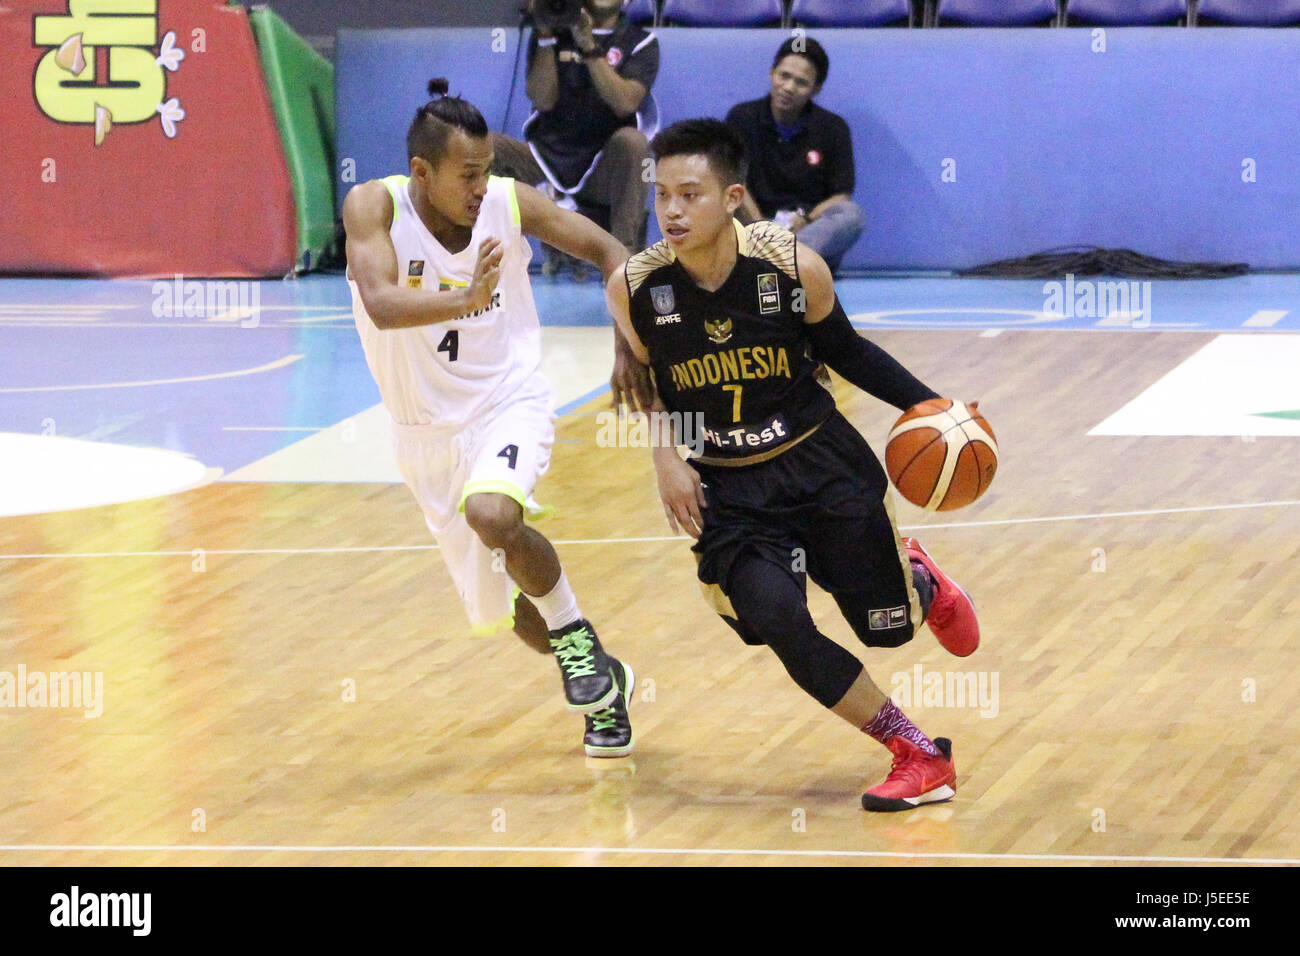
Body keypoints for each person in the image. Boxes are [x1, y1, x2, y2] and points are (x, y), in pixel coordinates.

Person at [605, 118, 983, 810]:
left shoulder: (791, 266)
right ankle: (917, 752)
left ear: (733, 197)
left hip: (822, 465)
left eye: (691, 194)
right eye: (662, 196)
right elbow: (654, 379)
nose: (672, 212)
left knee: (886, 628)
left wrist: (938, 410)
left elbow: (849, 352)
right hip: (730, 487)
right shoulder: (636, 287)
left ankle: (920, 583)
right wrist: (665, 455)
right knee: (778, 619)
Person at [343, 79, 649, 757]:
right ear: (421, 171)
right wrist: (465, 297)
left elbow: (613, 253)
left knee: (493, 515)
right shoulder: (374, 206)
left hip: (507, 400)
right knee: (507, 609)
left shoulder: (509, 204)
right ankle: (604, 682)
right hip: (425, 436)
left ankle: (575, 642)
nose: (483, 187)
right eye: (468, 175)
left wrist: (627, 341)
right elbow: (384, 303)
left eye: (487, 171)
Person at [492, 0, 659, 276]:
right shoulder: (552, 31)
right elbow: (543, 100)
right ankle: (485, 261)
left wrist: (590, 48)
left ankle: (624, 269)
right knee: (485, 148)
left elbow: (626, 103)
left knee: (634, 143)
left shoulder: (640, 42)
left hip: (602, 167)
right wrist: (545, 38)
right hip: (545, 158)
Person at [725, 37, 864, 273]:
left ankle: (775, 264)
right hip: (755, 228)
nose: (788, 87)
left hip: (806, 234)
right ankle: (779, 264)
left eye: (801, 82)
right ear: (771, 73)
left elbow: (841, 196)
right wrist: (760, 227)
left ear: (816, 89)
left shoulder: (834, 128)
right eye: (784, 76)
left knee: (851, 216)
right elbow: (734, 179)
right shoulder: (741, 118)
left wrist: (805, 222)